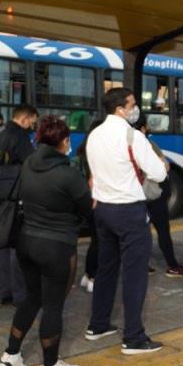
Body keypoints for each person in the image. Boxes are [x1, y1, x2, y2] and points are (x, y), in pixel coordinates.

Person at [0, 116, 91, 366]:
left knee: (31, 298)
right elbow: (87, 209)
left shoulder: (28, 164)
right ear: (64, 141)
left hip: (26, 242)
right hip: (56, 246)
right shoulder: (69, 174)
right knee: (52, 306)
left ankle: (11, 355)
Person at [84, 87, 167, 354]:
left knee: (106, 268)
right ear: (121, 108)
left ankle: (98, 324)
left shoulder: (94, 135)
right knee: (134, 273)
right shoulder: (133, 136)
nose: (135, 109)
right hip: (129, 210)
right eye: (132, 105)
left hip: (103, 209)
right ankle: (133, 337)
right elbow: (158, 173)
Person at [0, 104, 38, 305]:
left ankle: (3, 292)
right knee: (17, 245)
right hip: (15, 196)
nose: (33, 125)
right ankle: (20, 294)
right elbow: (32, 165)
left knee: (3, 244)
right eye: (32, 121)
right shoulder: (20, 137)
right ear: (24, 119)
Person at [133, 114, 183, 278]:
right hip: (153, 194)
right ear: (143, 128)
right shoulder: (148, 144)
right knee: (163, 230)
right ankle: (172, 265)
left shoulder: (125, 144)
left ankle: (141, 264)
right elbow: (164, 167)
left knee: (141, 231)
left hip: (134, 195)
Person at [76, 118, 105, 293]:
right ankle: (94, 276)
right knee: (101, 242)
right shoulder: (98, 153)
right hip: (98, 200)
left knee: (96, 240)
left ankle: (88, 275)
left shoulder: (82, 152)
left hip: (86, 202)